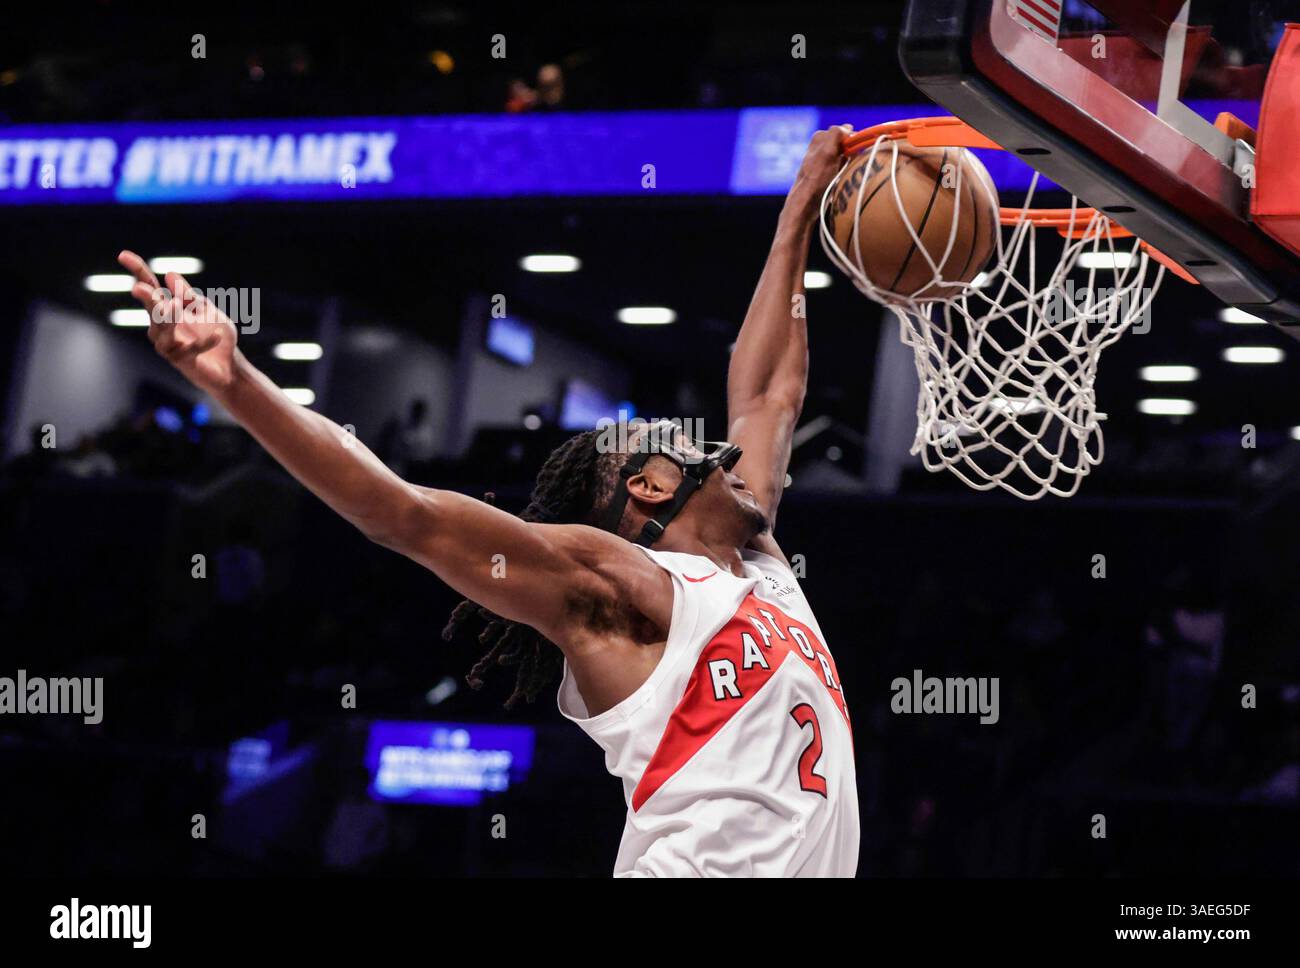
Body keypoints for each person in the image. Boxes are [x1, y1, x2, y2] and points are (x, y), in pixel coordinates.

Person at [115, 126, 857, 877]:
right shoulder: (618, 587)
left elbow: (767, 394)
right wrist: (235, 380)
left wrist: (800, 205)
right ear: (651, 486)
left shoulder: (761, 571)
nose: (728, 452)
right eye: (694, 448)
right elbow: (403, 513)